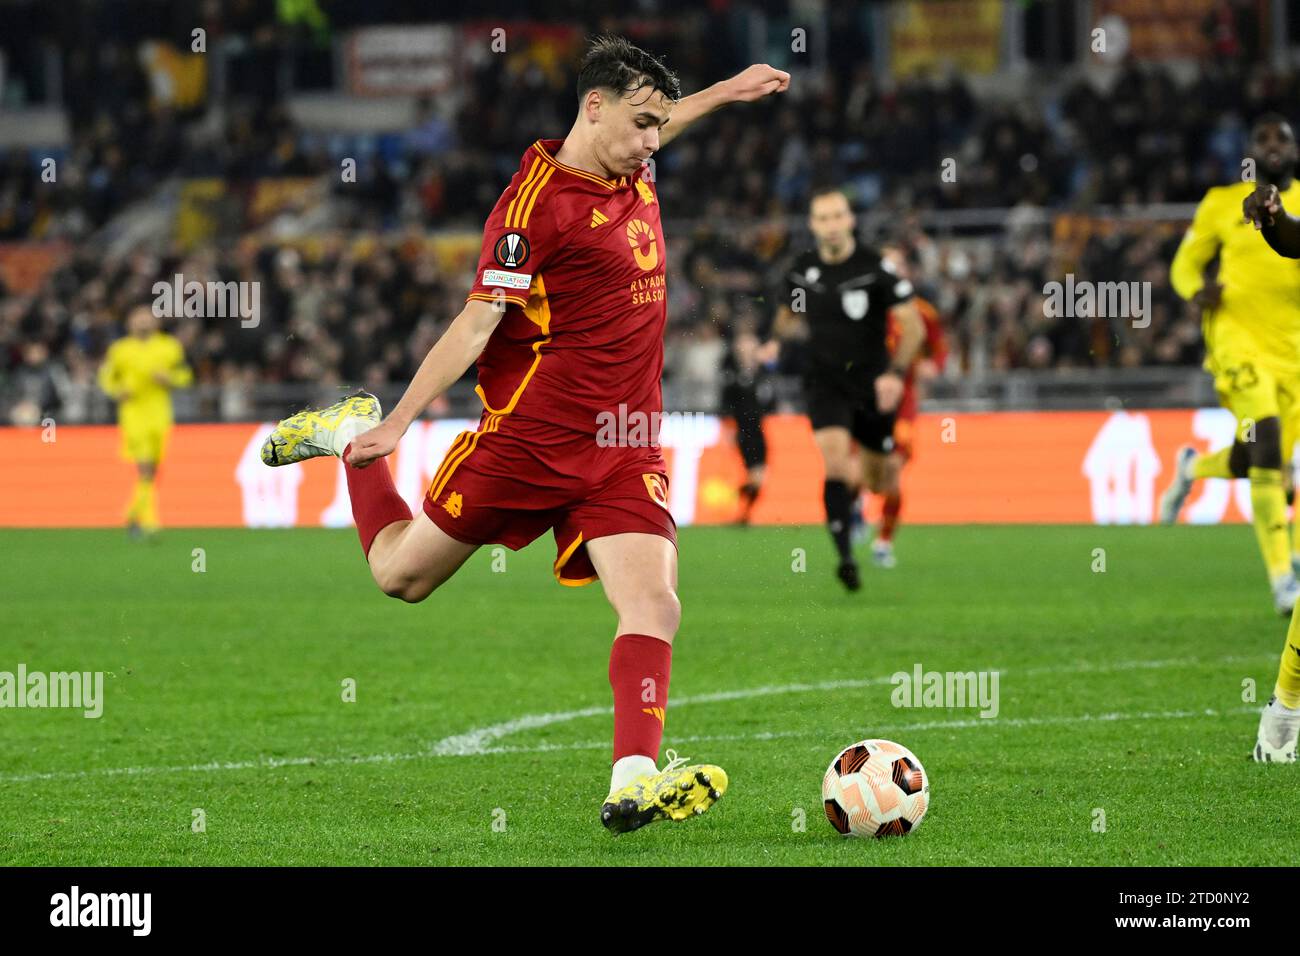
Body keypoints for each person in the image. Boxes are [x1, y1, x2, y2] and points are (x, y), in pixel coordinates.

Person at [260, 36, 789, 832]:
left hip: (626, 442)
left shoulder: (629, 160)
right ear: (594, 107)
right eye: (643, 123)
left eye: (659, 126)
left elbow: (668, 123)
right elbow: (475, 327)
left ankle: (633, 778)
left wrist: (721, 92)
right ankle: (349, 434)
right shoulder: (530, 210)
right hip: (530, 440)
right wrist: (399, 421)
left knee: (654, 601)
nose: (654, 141)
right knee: (400, 577)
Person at [1163, 114, 1300, 615]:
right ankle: (1284, 578)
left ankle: (1193, 467)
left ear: (1294, 148)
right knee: (1265, 440)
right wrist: (1196, 292)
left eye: (1281, 138)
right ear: (1250, 150)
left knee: (1260, 460)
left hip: (1293, 350)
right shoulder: (1222, 203)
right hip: (1236, 338)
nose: (1273, 146)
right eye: (1262, 139)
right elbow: (1183, 264)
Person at [771, 187, 924, 591]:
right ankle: (845, 558)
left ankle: (867, 508)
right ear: (812, 225)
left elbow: (914, 327)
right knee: (836, 463)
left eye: (838, 216)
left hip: (872, 385)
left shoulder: (876, 268)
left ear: (850, 220)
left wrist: (895, 373)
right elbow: (787, 319)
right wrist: (784, 334)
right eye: (823, 218)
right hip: (824, 382)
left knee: (878, 480)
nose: (831, 225)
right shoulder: (802, 271)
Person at [97, 305, 193, 537]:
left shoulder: (169, 347)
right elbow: (106, 377)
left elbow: (186, 376)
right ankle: (150, 520)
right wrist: (117, 390)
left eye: (146, 318)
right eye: (138, 318)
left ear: (155, 323)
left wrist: (169, 379)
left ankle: (131, 514)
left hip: (160, 413)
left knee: (154, 468)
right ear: (130, 323)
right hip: (133, 414)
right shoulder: (120, 349)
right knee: (145, 466)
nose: (142, 322)